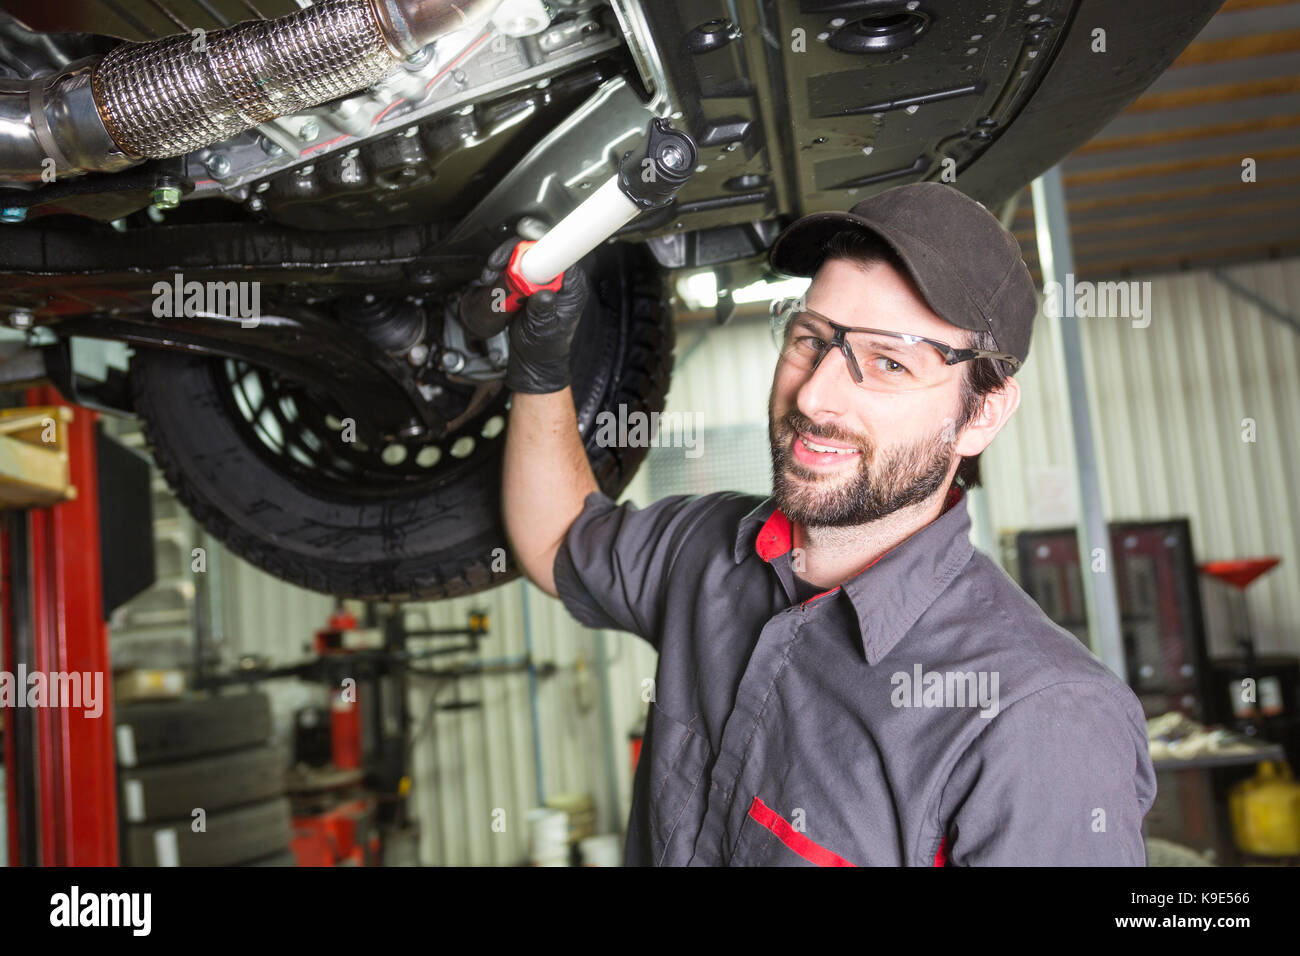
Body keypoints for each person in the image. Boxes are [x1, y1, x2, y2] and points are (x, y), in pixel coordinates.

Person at [495, 181, 1156, 866]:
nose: (815, 395)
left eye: (888, 362)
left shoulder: (1043, 723)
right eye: (812, 339)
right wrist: (541, 367)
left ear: (982, 413)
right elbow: (554, 541)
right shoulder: (710, 550)